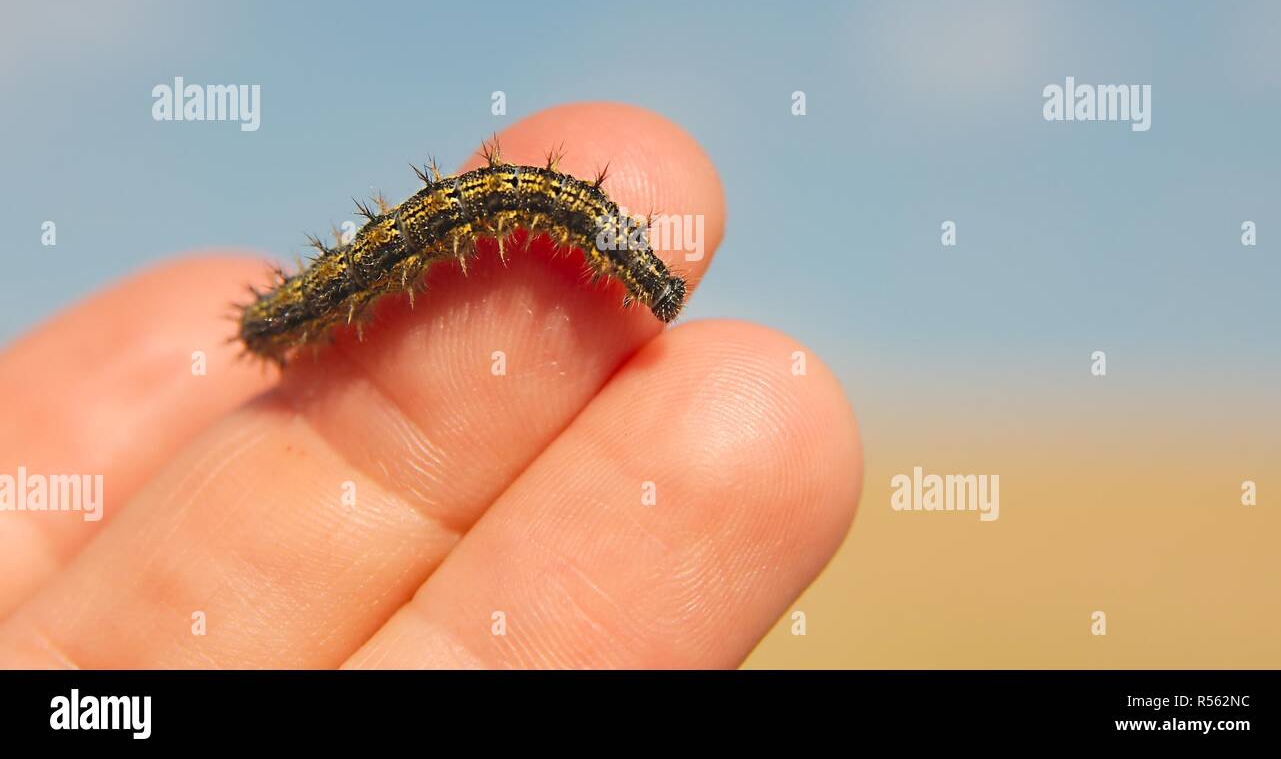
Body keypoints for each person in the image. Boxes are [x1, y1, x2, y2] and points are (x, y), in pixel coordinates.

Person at [0, 102, 861, 668]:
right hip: (310, 305)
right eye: (633, 270)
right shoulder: (510, 209)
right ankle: (288, 314)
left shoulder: (536, 212)